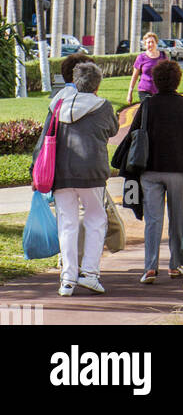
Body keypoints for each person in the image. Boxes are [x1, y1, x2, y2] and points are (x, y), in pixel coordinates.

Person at [32, 61, 119, 297]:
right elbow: (112, 129)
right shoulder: (103, 106)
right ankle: (90, 274)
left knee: (67, 224)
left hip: (62, 173)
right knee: (95, 220)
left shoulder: (58, 105)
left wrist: (34, 169)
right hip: (92, 174)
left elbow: (44, 138)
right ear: (97, 84)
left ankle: (67, 279)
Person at [128, 58, 183, 282]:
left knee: (153, 220)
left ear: (156, 81)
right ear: (177, 80)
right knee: (177, 219)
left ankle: (150, 267)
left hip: (150, 171)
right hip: (178, 172)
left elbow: (133, 136)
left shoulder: (148, 105)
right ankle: (176, 265)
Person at [127, 32, 167, 105]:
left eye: (152, 42)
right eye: (148, 42)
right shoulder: (141, 57)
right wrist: (130, 92)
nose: (150, 44)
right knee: (147, 111)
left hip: (160, 90)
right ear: (145, 45)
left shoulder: (163, 56)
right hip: (144, 90)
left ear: (156, 43)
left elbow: (168, 74)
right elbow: (134, 76)